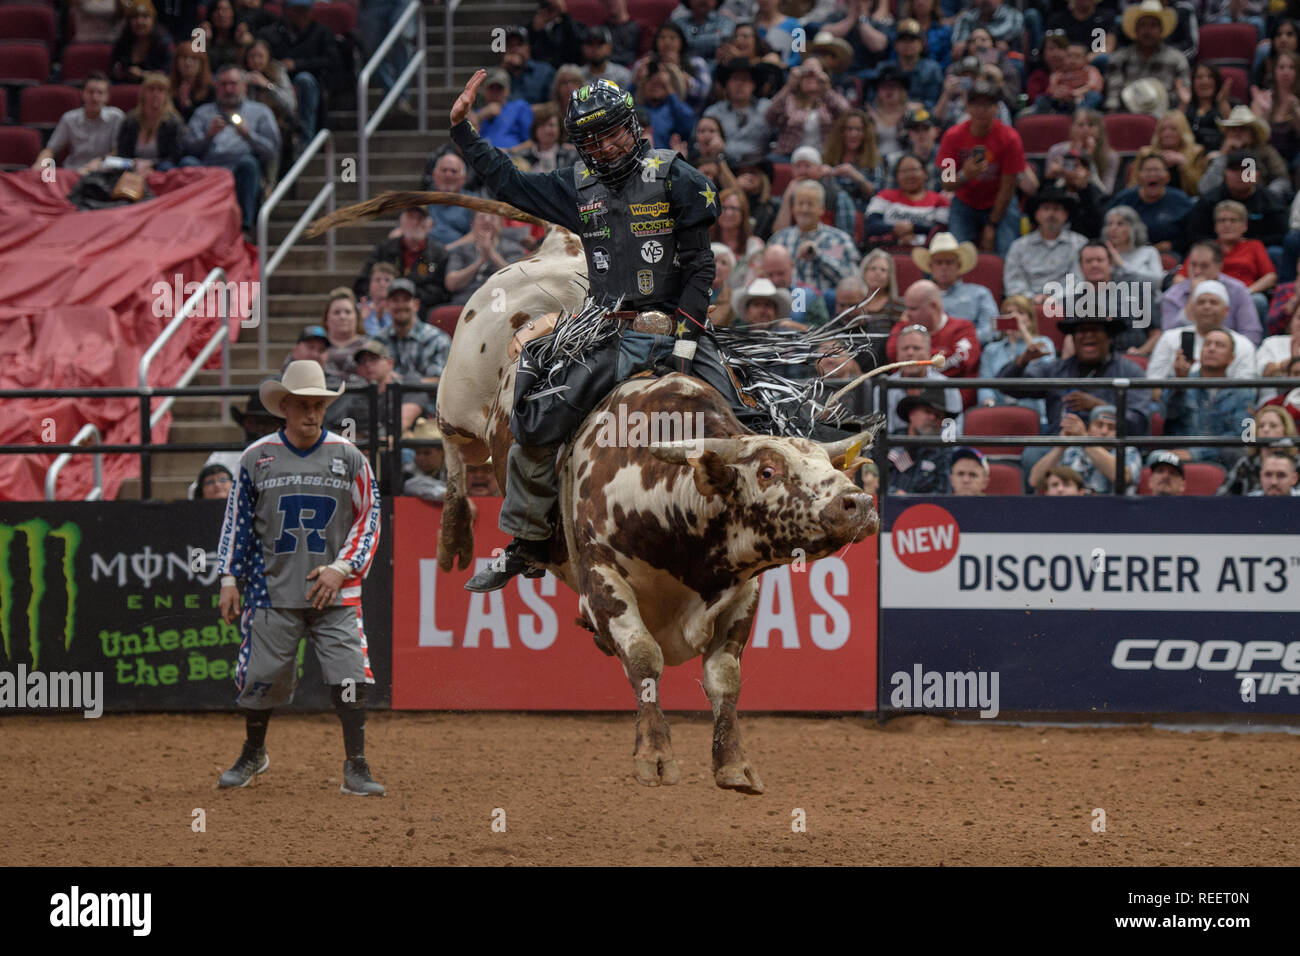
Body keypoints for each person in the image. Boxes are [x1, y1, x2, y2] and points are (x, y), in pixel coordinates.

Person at [450, 74, 760, 591]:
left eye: (611, 134)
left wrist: (685, 335)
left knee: (743, 419)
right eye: (590, 140)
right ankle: (527, 541)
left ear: (633, 127)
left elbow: (700, 268)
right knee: (535, 416)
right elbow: (510, 183)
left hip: (681, 325)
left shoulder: (677, 177)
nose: (602, 146)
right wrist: (464, 131)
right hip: (607, 330)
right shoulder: (577, 186)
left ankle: (764, 519)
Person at [214, 360, 384, 796]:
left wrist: (340, 567)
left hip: (337, 591)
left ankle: (356, 766)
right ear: (284, 406)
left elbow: (370, 518)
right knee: (260, 680)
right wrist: (229, 579)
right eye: (304, 405)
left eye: (319, 406)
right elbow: (237, 521)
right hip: (272, 589)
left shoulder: (349, 457)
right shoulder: (256, 458)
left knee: (350, 678)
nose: (312, 414)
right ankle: (254, 753)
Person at [997, 312, 1152, 443]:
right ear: (1073, 339)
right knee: (1033, 454)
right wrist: (1022, 361)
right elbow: (1006, 386)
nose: (1088, 335)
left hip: (1110, 450)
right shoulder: (1057, 370)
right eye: (1081, 330)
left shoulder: (1130, 372)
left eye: (1096, 329)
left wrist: (1099, 406)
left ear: (1109, 337)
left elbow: (1139, 423)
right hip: (1060, 446)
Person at [181, 64, 280, 238]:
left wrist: (248, 135)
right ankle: (189, 227)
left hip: (241, 168)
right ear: (216, 86)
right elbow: (187, 148)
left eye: (233, 84)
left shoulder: (260, 112)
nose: (228, 89)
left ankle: (245, 228)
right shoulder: (203, 113)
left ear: (244, 86)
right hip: (209, 168)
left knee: (249, 164)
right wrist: (208, 136)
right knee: (187, 164)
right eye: (223, 84)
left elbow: (272, 151)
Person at [937, 81, 1024, 257]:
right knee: (955, 253)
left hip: (999, 201)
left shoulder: (1010, 138)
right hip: (965, 201)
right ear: (967, 107)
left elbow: (1008, 187)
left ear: (996, 108)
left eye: (987, 105)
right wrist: (964, 175)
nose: (980, 110)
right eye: (975, 104)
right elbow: (946, 183)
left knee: (1007, 250)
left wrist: (992, 224)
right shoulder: (952, 136)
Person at [1159, 327, 1254, 466]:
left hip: (1222, 460)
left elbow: (1244, 436)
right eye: (1207, 344)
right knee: (1157, 457)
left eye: (1219, 345)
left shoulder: (1242, 392)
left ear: (1231, 358)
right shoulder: (1182, 380)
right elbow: (1165, 415)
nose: (1211, 349)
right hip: (1179, 457)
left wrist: (1197, 453)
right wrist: (1179, 385)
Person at [257, 0, 341, 145]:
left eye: (304, 10)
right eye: (296, 10)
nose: (300, 15)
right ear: (287, 11)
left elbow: (332, 61)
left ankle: (306, 141)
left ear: (311, 12)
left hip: (312, 83)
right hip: (277, 80)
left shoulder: (321, 33)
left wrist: (297, 65)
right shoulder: (273, 32)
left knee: (304, 80)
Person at [886, 281, 982, 406]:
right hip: (903, 407)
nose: (906, 314)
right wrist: (940, 353)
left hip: (952, 409)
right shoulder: (902, 327)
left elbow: (964, 361)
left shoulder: (963, 328)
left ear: (934, 306)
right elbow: (894, 355)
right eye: (906, 307)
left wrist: (921, 360)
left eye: (913, 308)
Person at [1155, 240, 1263, 348]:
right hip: (1184, 358)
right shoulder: (1172, 296)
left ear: (1219, 266)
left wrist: (1227, 353)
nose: (1197, 271)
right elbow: (1168, 339)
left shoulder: (1237, 290)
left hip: (1229, 356)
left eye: (1204, 266)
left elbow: (1252, 335)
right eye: (1193, 265)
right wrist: (1195, 295)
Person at [1186, 149, 1290, 257]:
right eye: (1234, 169)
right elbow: (1195, 234)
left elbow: (1281, 235)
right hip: (1216, 251)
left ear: (1257, 174)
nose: (1240, 175)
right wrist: (1222, 243)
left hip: (1258, 251)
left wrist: (1248, 244)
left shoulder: (1271, 201)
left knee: (1275, 252)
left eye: (1246, 170)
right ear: (1225, 172)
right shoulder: (1209, 200)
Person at [352, 206, 450, 320]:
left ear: (430, 225)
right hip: (382, 309)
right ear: (401, 222)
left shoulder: (439, 253)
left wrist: (404, 294)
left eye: (420, 219)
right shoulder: (384, 249)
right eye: (410, 218)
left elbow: (442, 292)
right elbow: (362, 283)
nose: (414, 223)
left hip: (422, 311)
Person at [1147, 279, 1258, 379]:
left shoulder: (1243, 345)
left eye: (1213, 302)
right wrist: (1179, 381)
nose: (1206, 307)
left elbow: (1245, 390)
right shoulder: (1169, 338)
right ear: (1193, 309)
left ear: (1226, 310)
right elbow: (1153, 384)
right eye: (1201, 302)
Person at [767, 181, 860, 296]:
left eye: (810, 204)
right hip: (787, 304)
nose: (804, 209)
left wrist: (818, 256)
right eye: (800, 204)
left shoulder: (838, 240)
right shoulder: (778, 240)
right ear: (793, 208)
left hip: (826, 307)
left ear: (821, 209)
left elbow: (848, 279)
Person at [978, 295, 1056, 426]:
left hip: (1035, 414)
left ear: (1030, 320)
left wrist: (1024, 333)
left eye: (1020, 313)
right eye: (1008, 313)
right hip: (999, 414)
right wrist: (989, 405)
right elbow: (984, 384)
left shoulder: (1043, 343)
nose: (1014, 317)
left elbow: (1046, 373)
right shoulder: (991, 350)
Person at [1028, 404, 1141, 495]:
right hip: (1072, 512)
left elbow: (1121, 477)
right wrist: (1060, 447)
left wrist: (1085, 439)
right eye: (1099, 425)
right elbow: (1035, 481)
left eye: (1111, 427)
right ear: (1089, 428)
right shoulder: (1071, 452)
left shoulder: (1129, 452)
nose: (1104, 431)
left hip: (1114, 514)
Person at [1002, 186, 1088, 303]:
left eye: (1057, 209)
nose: (1051, 214)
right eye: (1046, 209)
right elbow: (1013, 281)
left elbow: (1079, 280)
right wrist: (1032, 298)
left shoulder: (1080, 244)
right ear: (1036, 214)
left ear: (1066, 215)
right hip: (1027, 306)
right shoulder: (1019, 246)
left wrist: (1054, 299)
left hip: (1068, 305)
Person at [187, 392, 282, 498]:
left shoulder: (289, 456)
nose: (261, 428)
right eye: (254, 422)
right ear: (245, 423)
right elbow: (196, 491)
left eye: (268, 423)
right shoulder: (223, 454)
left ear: (278, 426)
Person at [1103, 0, 1190, 113]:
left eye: (1153, 25)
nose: (1147, 31)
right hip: (1127, 114)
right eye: (1142, 25)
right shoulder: (1119, 58)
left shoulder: (1177, 59)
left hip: (1165, 117)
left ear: (1161, 30)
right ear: (1136, 30)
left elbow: (1183, 96)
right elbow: (1112, 98)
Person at [1198, 105, 1292, 202]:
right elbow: (1206, 189)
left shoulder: (1266, 152)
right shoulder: (1217, 155)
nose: (1237, 133)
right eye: (1233, 129)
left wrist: (1266, 197)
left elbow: (1282, 180)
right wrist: (1223, 155)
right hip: (1224, 205)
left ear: (1253, 132)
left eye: (1242, 128)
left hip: (1260, 203)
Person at [1104, 153, 1194, 254]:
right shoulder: (1123, 200)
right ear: (1138, 177)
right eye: (1147, 170)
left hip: (1168, 254)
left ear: (1167, 177)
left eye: (1157, 170)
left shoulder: (1181, 201)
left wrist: (1173, 245)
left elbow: (1192, 234)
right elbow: (1105, 228)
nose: (1152, 174)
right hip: (1128, 252)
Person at [33, 74, 124, 172]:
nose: (95, 98)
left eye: (100, 93)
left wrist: (101, 161)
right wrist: (40, 164)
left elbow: (118, 150)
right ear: (83, 93)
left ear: (107, 96)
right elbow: (51, 149)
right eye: (90, 92)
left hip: (103, 173)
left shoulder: (116, 117)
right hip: (74, 172)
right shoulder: (69, 118)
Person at [864, 153, 950, 253]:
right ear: (896, 177)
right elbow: (871, 225)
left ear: (925, 173)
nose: (909, 175)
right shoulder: (883, 196)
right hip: (887, 252)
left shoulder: (940, 200)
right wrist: (894, 229)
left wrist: (913, 228)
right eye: (904, 171)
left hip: (928, 254)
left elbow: (941, 232)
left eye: (914, 170)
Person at [765, 59, 849, 160]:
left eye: (815, 73)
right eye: (805, 73)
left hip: (823, 156)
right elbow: (769, 117)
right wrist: (789, 85)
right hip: (788, 155)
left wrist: (826, 88)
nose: (810, 76)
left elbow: (846, 115)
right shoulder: (789, 98)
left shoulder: (831, 98)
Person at [377, 278, 452, 389]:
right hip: (387, 402)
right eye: (395, 300)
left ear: (416, 305)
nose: (400, 305)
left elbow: (442, 381)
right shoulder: (378, 340)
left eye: (406, 300)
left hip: (429, 403)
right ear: (387, 305)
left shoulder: (437, 339)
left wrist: (402, 382)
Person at [887, 390, 954, 494]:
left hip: (923, 508)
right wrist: (894, 493)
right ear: (911, 414)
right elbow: (871, 480)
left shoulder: (944, 453)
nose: (932, 418)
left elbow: (944, 495)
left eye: (938, 415)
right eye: (928, 412)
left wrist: (911, 499)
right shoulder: (888, 442)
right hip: (881, 506)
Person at [1127, 110, 1207, 197]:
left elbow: (1197, 190)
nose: (1167, 133)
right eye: (1163, 129)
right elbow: (1133, 186)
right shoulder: (1146, 153)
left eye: (1173, 129)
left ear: (1182, 132)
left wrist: (1183, 164)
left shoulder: (1196, 152)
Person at [115, 72, 185, 169]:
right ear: (143, 93)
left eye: (160, 90)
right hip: (133, 168)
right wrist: (135, 164)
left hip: (161, 170)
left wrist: (151, 163)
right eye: (151, 89)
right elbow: (122, 152)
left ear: (167, 96)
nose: (155, 94)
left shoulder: (174, 123)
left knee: (167, 166)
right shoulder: (130, 120)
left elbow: (175, 156)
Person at [823, 110, 887, 216]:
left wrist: (855, 175)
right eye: (849, 129)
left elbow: (878, 194)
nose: (854, 134)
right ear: (841, 132)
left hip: (861, 211)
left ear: (865, 133)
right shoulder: (828, 157)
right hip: (831, 210)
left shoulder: (874, 159)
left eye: (859, 129)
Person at [756, 243, 829, 326]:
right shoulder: (752, 296)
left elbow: (823, 330)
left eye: (781, 273)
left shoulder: (809, 296)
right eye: (770, 274)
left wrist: (795, 327)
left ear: (791, 266)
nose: (775, 280)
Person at [466, 69, 535, 150]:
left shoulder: (519, 107)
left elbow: (532, 142)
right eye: (491, 88)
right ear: (484, 91)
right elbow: (466, 146)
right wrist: (480, 117)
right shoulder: (476, 115)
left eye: (499, 88)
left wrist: (509, 151)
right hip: (482, 159)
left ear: (508, 91)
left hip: (513, 158)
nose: (495, 92)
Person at [1178, 62, 1237, 153]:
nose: (1205, 81)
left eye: (1210, 77)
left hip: (1221, 154)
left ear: (1217, 81)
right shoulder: (1185, 106)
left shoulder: (1232, 105)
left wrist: (1222, 103)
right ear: (1193, 82)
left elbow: (1233, 135)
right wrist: (1184, 104)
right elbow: (1174, 133)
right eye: (1199, 77)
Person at [885, 18, 944, 108]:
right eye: (903, 39)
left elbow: (934, 102)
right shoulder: (885, 69)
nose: (907, 44)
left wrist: (917, 106)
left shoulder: (932, 69)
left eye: (912, 39)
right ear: (895, 44)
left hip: (923, 117)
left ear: (922, 44)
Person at [110, 0, 174, 83]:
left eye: (145, 16)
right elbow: (112, 71)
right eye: (135, 17)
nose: (139, 22)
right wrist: (118, 73)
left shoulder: (163, 44)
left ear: (153, 20)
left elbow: (168, 74)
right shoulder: (122, 43)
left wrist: (143, 74)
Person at [1102, 205, 1165, 287]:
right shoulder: (1103, 254)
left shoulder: (1149, 252)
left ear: (1133, 228)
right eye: (1110, 224)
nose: (1113, 228)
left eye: (1120, 224)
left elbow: (1157, 282)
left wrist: (1122, 265)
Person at [671, 0, 736, 62]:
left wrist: (690, 41)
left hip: (717, 68)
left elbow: (724, 39)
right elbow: (680, 44)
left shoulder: (725, 21)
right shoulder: (678, 22)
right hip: (684, 66)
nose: (703, 0)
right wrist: (715, 37)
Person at [170, 40, 216, 124]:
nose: (188, 62)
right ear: (176, 62)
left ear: (202, 64)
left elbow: (207, 121)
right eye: (184, 57)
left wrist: (188, 106)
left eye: (194, 58)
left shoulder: (211, 90)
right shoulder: (168, 86)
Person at [529, 0, 585, 67]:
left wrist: (564, 14)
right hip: (542, 70)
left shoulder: (568, 25)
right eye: (545, 5)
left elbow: (577, 46)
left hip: (566, 68)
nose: (548, 10)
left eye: (552, 8)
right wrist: (536, 32)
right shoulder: (533, 27)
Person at [402, 418, 447, 502]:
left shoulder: (455, 469)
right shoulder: (408, 471)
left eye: (427, 453)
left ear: (443, 452)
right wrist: (449, 495)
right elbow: (411, 484)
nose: (420, 458)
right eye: (417, 453)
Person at [581, 25, 633, 91]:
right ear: (583, 48)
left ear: (609, 47)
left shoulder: (622, 75)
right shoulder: (577, 76)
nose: (595, 49)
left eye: (600, 44)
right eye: (590, 44)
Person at [200, 0, 246, 70]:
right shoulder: (201, 30)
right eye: (217, 10)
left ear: (233, 13)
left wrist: (241, 44)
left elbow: (246, 67)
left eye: (226, 10)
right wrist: (205, 41)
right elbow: (193, 63)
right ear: (211, 14)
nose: (221, 14)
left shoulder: (241, 33)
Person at [359, 262, 396, 337]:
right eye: (377, 280)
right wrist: (360, 320)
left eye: (387, 280)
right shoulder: (358, 309)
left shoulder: (399, 309)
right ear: (370, 284)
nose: (382, 284)